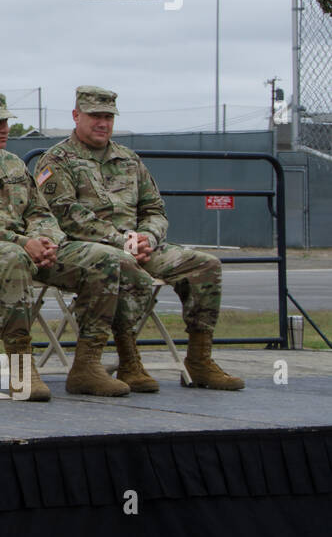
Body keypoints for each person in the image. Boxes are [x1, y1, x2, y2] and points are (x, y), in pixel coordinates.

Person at [0, 91, 160, 400]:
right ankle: (21, 367)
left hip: (26, 248)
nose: (3, 128)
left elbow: (40, 212)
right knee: (11, 257)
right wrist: (22, 242)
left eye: (5, 121)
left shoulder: (13, 164)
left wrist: (46, 241)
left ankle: (87, 365)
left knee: (105, 258)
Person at [37, 86, 243, 390]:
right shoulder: (56, 160)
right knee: (120, 263)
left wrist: (148, 236)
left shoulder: (129, 159)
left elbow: (155, 209)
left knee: (205, 265)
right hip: (86, 248)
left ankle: (200, 360)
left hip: (138, 246)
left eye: (108, 117)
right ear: (76, 116)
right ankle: (129, 361)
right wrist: (123, 242)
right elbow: (66, 215)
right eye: (95, 116)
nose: (103, 123)